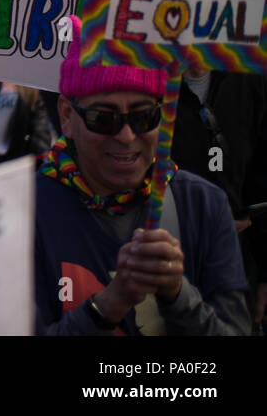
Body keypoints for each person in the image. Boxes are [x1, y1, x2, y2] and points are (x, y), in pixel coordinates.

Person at [34, 17, 250, 335]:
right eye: (102, 119)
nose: (126, 135)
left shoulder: (203, 204)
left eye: (144, 116)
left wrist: (178, 296)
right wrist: (106, 306)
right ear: (66, 116)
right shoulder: (25, 211)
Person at [170, 66, 267, 327]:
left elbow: (261, 171)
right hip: (167, 259)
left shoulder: (250, 78)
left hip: (238, 261)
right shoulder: (148, 81)